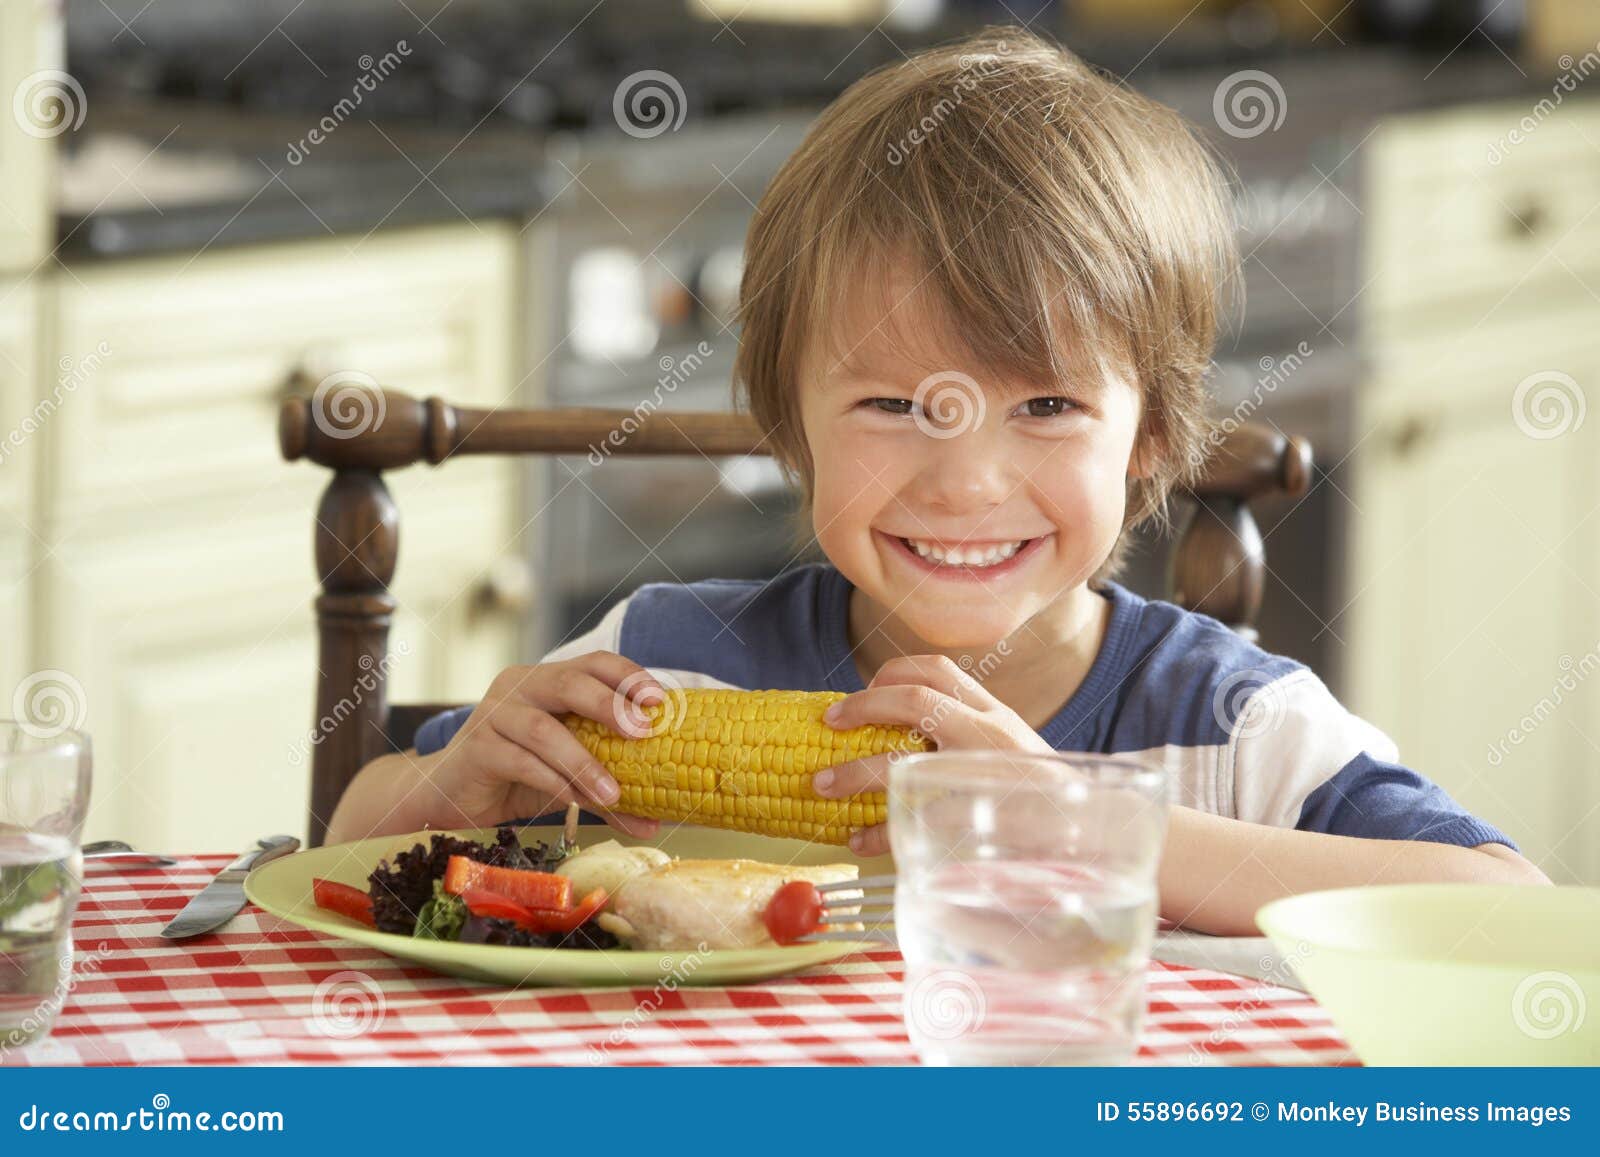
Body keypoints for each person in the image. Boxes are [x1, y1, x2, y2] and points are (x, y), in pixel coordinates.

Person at [326, 29, 1547, 934]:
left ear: (1152, 439)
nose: (964, 481)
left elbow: (1504, 910)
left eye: (1049, 406)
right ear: (786, 429)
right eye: (893, 405)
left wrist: (1080, 821)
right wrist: (451, 782)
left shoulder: (1229, 727)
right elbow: (341, 847)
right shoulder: (670, 659)